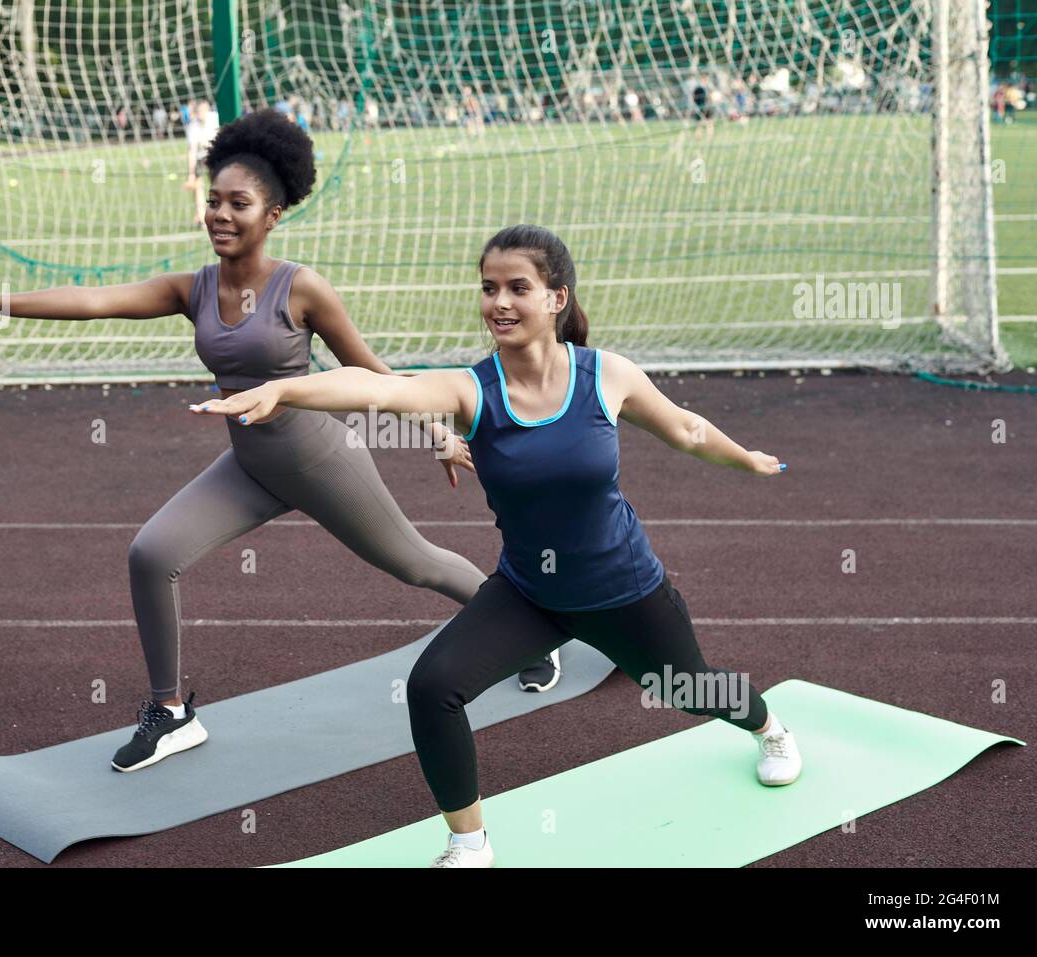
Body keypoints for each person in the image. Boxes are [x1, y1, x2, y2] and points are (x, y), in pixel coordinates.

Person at [0, 110, 562, 776]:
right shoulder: (192, 288)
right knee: (152, 552)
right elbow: (94, 300)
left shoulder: (300, 288)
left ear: (272, 214)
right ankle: (171, 714)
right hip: (250, 465)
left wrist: (436, 432)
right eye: (213, 200)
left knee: (415, 563)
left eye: (238, 203)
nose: (220, 213)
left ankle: (526, 631)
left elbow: (370, 373)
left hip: (319, 459)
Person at [192, 224, 802, 867]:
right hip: (529, 593)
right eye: (489, 289)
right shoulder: (470, 390)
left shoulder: (605, 377)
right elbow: (381, 390)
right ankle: (469, 843)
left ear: (556, 298)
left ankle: (771, 729)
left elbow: (686, 429)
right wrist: (284, 390)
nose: (499, 303)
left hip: (623, 591)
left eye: (518, 288)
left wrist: (749, 460)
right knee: (433, 687)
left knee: (692, 688)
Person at [185, 101, 221, 226]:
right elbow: (191, 151)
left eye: (203, 111)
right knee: (197, 185)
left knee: (218, 184)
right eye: (199, 111)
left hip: (215, 153)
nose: (201, 114)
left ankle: (219, 212)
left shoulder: (215, 119)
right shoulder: (193, 126)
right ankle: (201, 216)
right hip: (200, 156)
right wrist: (191, 173)